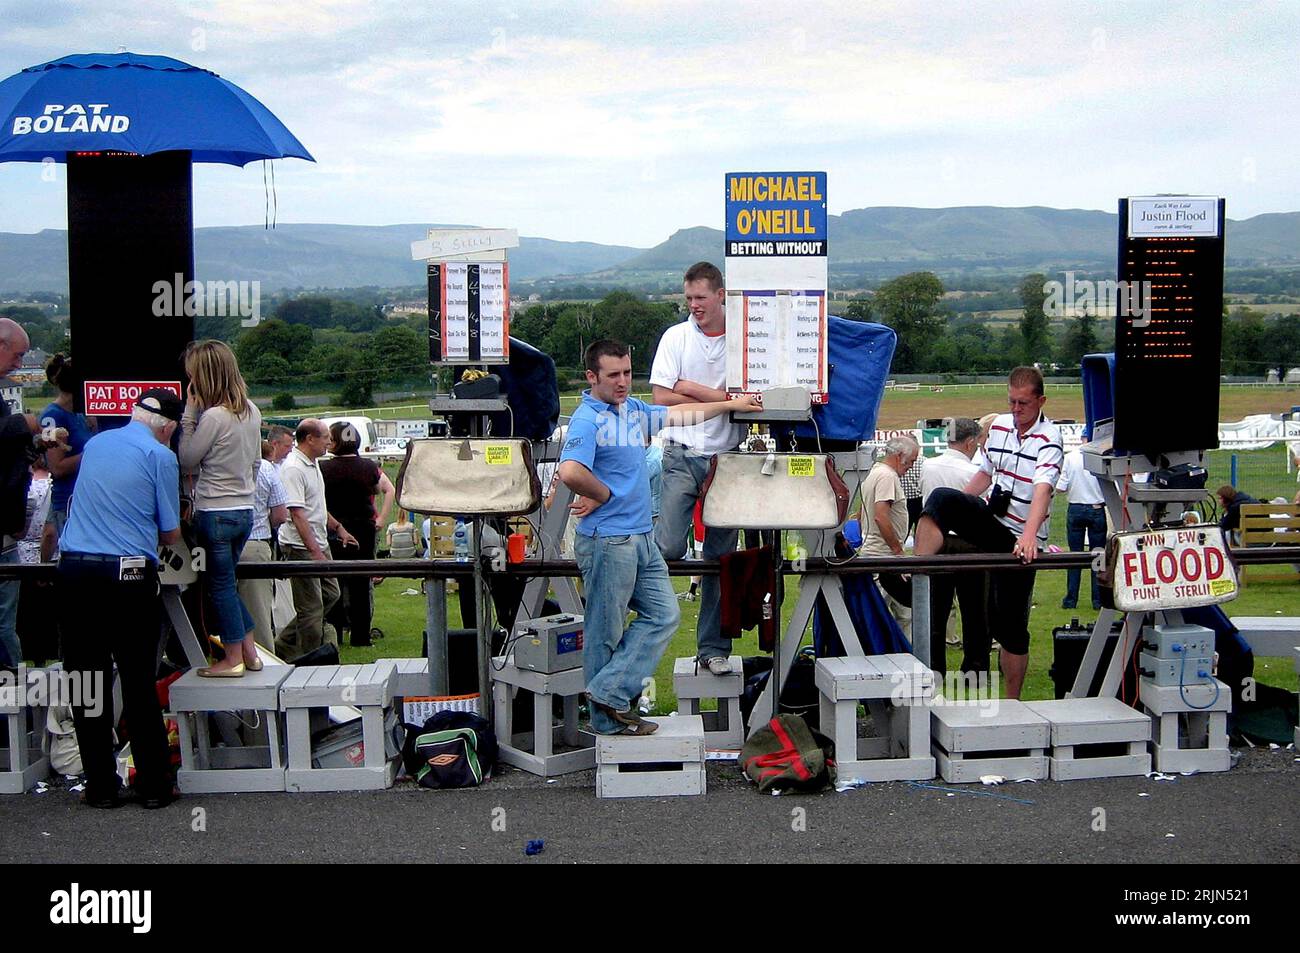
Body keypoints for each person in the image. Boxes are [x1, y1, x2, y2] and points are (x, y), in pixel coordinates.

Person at [559, 339, 760, 735]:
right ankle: (608, 719)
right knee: (605, 630)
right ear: (591, 377)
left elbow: (679, 414)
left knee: (665, 615)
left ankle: (608, 692)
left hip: (640, 538)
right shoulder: (588, 419)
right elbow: (569, 471)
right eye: (613, 375)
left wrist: (728, 406)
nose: (622, 382)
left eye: (628, 373)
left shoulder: (631, 411)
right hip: (608, 541)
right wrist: (601, 494)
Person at [57, 389, 184, 808]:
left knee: (87, 680)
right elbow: (169, 532)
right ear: (167, 428)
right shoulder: (160, 457)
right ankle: (153, 785)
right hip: (127, 571)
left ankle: (100, 786)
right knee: (136, 679)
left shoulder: (97, 444)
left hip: (75, 568)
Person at [915, 367, 1063, 699]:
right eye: (1011, 401)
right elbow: (983, 474)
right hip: (995, 522)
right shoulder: (999, 428)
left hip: (1019, 534)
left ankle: (1012, 702)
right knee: (941, 498)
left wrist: (1028, 537)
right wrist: (961, 510)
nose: (1016, 409)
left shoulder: (1050, 438)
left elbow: (1043, 489)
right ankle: (917, 572)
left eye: (1023, 403)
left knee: (1008, 626)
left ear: (1041, 401)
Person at [651, 261, 747, 676]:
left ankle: (713, 649)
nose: (693, 306)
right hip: (681, 453)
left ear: (720, 294)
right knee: (667, 547)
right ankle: (645, 631)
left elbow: (752, 395)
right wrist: (720, 397)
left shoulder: (743, 339)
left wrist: (686, 388)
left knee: (721, 559)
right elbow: (659, 397)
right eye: (688, 298)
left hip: (726, 460)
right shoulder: (675, 336)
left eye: (701, 298)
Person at [178, 340, 264, 677]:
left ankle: (232, 659)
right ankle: (250, 651)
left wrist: (188, 417)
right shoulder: (251, 411)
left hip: (215, 511)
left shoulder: (213, 416)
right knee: (227, 583)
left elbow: (188, 458)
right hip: (244, 510)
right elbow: (256, 462)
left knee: (219, 587)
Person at [0, 318, 60, 669]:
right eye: (19, 355)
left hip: (8, 528)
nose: (20, 364)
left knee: (6, 621)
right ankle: (13, 695)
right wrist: (27, 424)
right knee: (4, 623)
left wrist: (38, 442)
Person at [275, 419, 358, 660]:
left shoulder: (312, 464)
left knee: (331, 594)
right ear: (310, 439)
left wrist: (338, 528)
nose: (330, 442)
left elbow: (315, 507)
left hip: (317, 543)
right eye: (325, 437)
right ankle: (310, 660)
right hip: (301, 546)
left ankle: (285, 644)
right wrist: (315, 552)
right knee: (311, 609)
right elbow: (297, 513)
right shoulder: (293, 468)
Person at [919, 417, 988, 664]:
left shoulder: (928, 466)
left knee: (936, 610)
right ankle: (975, 667)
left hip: (935, 540)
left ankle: (934, 666)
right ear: (970, 443)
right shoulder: (973, 472)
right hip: (968, 542)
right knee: (975, 611)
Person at [321, 420, 395, 647]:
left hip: (335, 529)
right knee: (361, 583)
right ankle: (361, 636)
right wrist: (380, 519)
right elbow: (382, 488)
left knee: (335, 583)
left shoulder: (323, 469)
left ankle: (335, 634)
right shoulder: (369, 467)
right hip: (364, 529)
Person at [858, 436, 920, 635]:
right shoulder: (887, 477)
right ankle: (903, 656)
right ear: (899, 456)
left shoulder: (875, 472)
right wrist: (898, 551)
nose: (911, 467)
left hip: (876, 554)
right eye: (910, 461)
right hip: (884, 558)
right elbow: (881, 517)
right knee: (893, 615)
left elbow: (862, 513)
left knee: (903, 613)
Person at [238, 440, 289, 653]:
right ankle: (263, 662)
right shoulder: (267, 470)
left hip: (215, 544)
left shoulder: (214, 464)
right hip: (256, 543)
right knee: (258, 614)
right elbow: (280, 514)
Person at [39, 353, 94, 546]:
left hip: (87, 499)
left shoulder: (80, 413)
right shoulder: (53, 416)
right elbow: (57, 467)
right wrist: (95, 452)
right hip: (68, 502)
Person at [1057, 446, 1107, 610]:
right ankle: (1098, 600)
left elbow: (1061, 487)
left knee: (1074, 556)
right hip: (1096, 508)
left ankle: (1071, 599)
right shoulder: (1101, 457)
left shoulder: (1071, 457)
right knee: (1098, 556)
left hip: (1076, 508)